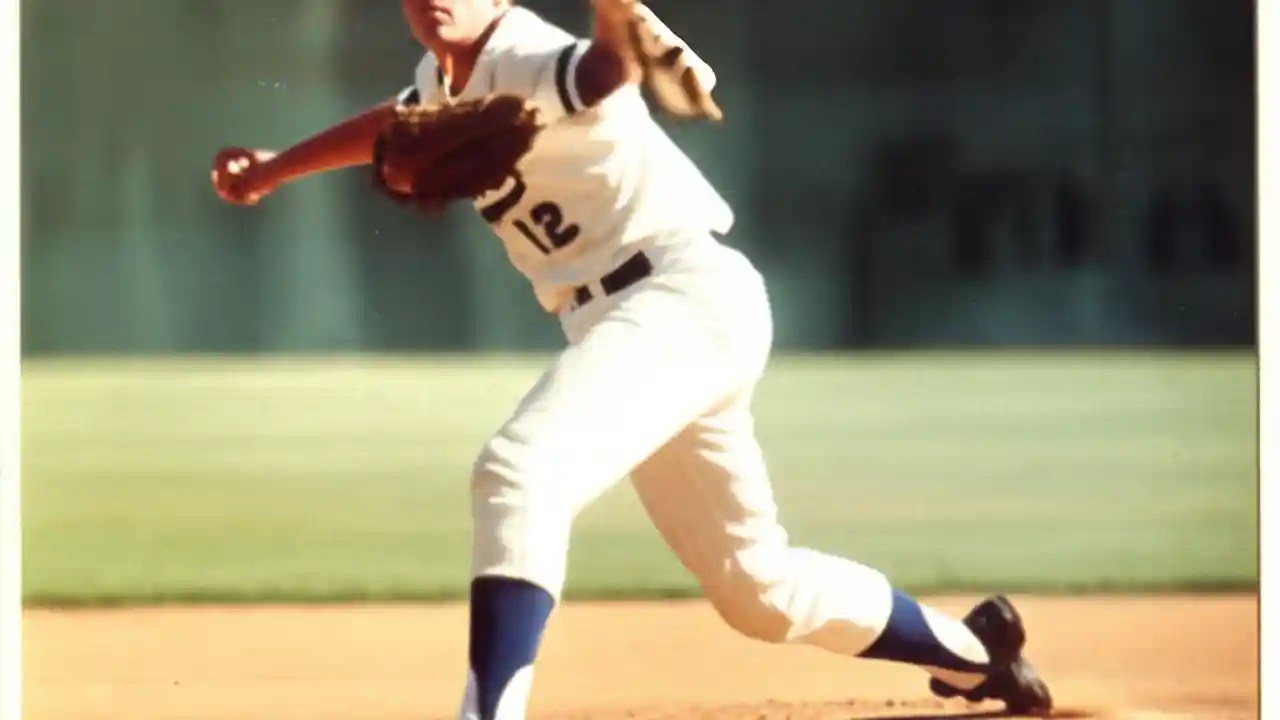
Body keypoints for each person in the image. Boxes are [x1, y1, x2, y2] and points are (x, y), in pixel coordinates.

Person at [210, 2, 1055, 718]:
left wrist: (619, 29)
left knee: (519, 470)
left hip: (677, 299)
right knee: (755, 589)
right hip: (639, 323)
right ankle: (979, 654)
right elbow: (394, 123)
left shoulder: (530, 52)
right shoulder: (445, 77)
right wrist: (274, 170)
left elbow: (599, 71)